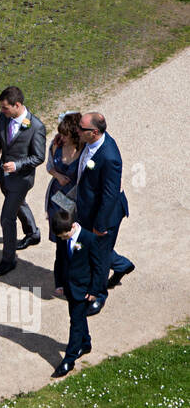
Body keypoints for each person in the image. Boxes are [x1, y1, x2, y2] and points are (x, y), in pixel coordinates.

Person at [74, 112, 134, 314]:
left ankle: (98, 296)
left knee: (98, 256)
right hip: (88, 209)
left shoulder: (109, 157)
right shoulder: (90, 141)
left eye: (81, 129)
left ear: (95, 132)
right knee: (99, 252)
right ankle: (122, 265)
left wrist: (100, 225)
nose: (77, 131)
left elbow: (109, 196)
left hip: (104, 216)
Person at [0, 86, 47, 277]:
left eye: (5, 108)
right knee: (19, 204)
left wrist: (18, 165)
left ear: (17, 105)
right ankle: (33, 233)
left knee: (7, 217)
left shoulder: (36, 127)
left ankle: (8, 259)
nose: (1, 111)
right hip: (4, 176)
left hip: (21, 179)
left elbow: (39, 157)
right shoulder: (5, 117)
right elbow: (0, 142)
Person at [49, 206, 106, 378]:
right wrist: (59, 283)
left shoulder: (89, 239)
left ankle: (69, 359)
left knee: (75, 322)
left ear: (73, 226)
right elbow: (59, 260)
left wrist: (94, 290)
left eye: (65, 236)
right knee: (78, 317)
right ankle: (86, 342)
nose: (62, 239)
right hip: (68, 287)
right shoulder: (61, 236)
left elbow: (99, 268)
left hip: (83, 289)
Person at [45, 113, 83, 296]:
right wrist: (58, 176)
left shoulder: (84, 149)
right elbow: (50, 166)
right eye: (60, 133)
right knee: (60, 243)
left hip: (74, 202)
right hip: (56, 198)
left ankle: (74, 279)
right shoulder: (56, 144)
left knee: (74, 242)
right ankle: (59, 280)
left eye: (65, 135)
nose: (61, 137)